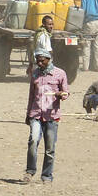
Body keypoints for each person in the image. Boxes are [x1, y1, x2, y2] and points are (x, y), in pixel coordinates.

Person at [23, 50, 68, 184]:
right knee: (33, 141)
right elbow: (31, 95)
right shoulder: (35, 74)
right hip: (36, 114)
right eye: (38, 60)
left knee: (49, 148)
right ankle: (30, 171)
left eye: (42, 60)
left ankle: (47, 175)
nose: (39, 63)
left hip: (51, 116)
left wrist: (61, 94)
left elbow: (66, 93)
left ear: (49, 59)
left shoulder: (60, 74)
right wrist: (28, 114)